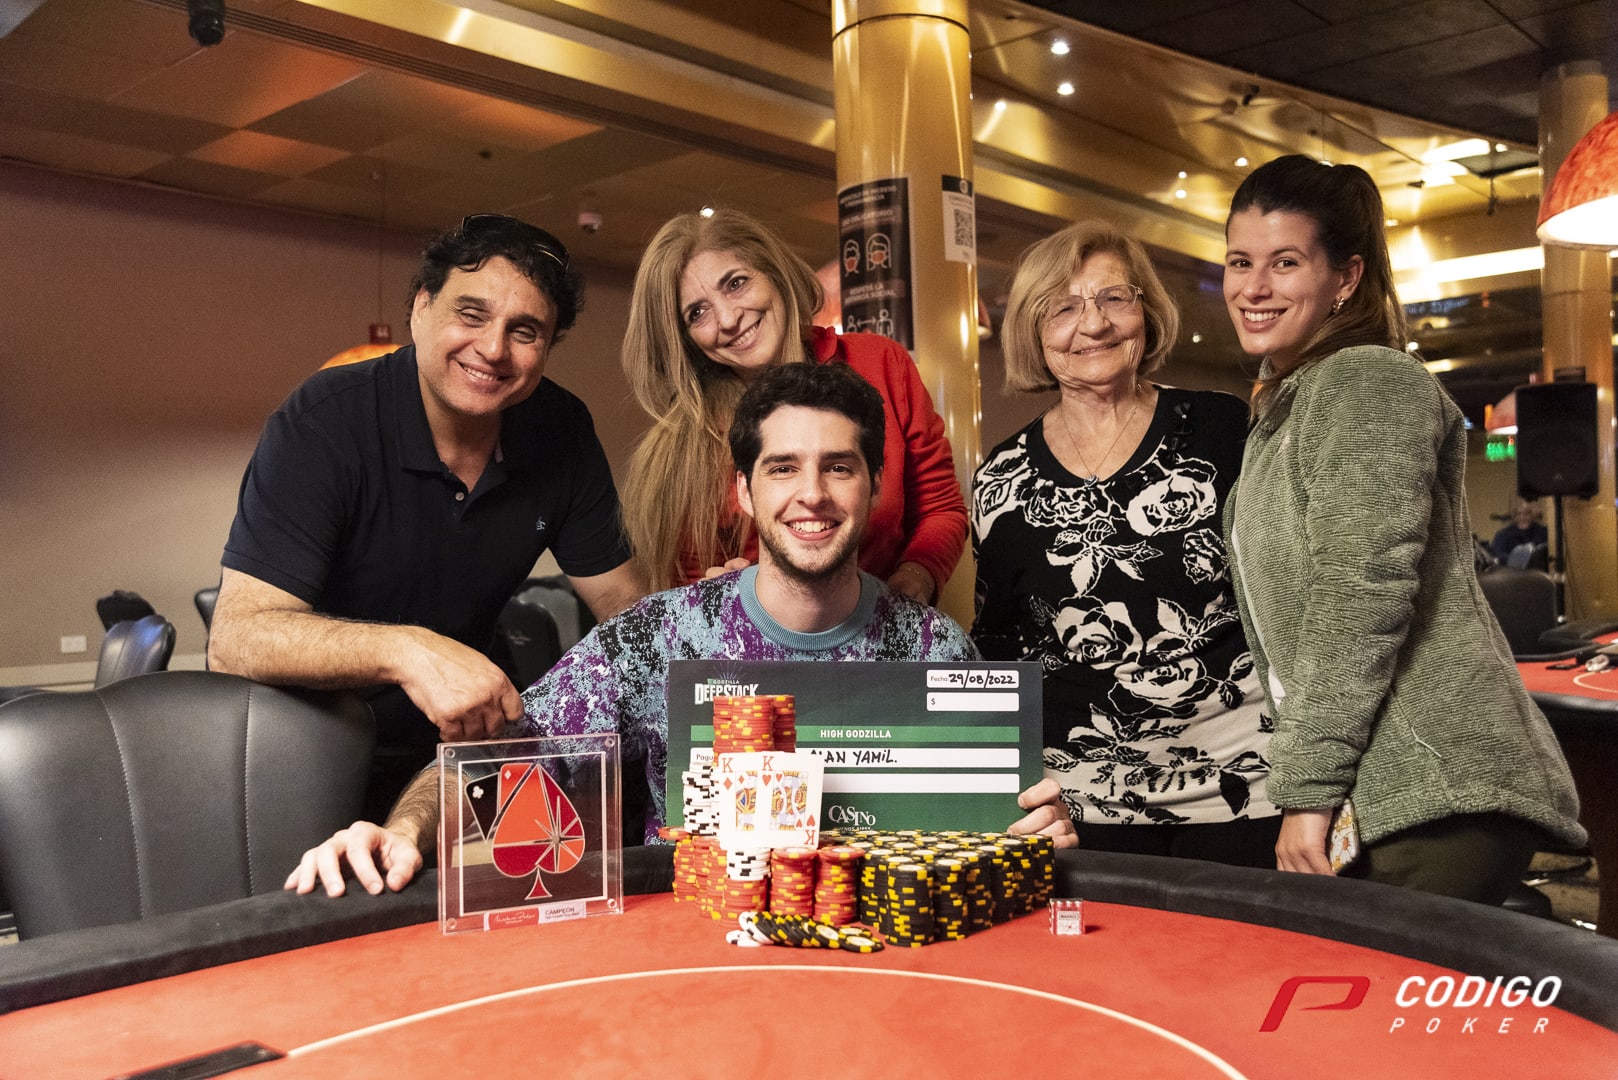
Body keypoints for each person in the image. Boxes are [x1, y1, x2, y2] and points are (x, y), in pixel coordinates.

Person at [286, 363, 1072, 897]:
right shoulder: (653, 641)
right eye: (782, 467)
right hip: (693, 972)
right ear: (743, 492)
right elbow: (504, 762)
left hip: (887, 975)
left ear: (872, 487)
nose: (812, 495)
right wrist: (402, 831)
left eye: (839, 467)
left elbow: (996, 850)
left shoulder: (937, 652)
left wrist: (1038, 832)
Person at [1221, 154, 1583, 902]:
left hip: (1435, 784)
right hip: (1392, 789)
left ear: (1345, 278)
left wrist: (1308, 793)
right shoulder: (1285, 409)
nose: (1253, 287)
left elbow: (1360, 599)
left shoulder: (1365, 380)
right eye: (1239, 261)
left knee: (1387, 1017)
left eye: (1285, 262)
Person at [210, 214, 643, 821]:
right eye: (472, 315)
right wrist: (411, 650)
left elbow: (626, 609)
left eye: (525, 331)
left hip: (461, 753)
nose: (493, 350)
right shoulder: (326, 419)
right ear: (420, 309)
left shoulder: (561, 429)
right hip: (303, 757)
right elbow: (235, 640)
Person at [973, 221, 1280, 868]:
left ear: (1147, 311)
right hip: (1082, 807)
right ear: (1033, 331)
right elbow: (1001, 647)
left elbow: (1288, 600)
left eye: (1115, 297)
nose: (1095, 324)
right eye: (1063, 307)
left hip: (1242, 786)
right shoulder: (1001, 478)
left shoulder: (1224, 428)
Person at [619, 208, 967, 602]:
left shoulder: (881, 364)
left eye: (736, 283)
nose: (729, 318)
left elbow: (940, 508)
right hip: (765, 653)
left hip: (888, 638)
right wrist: (717, 592)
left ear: (774, 272)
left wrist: (915, 578)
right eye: (697, 312)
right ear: (685, 340)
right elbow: (689, 588)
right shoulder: (687, 443)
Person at [1490, 498, 1549, 566]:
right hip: (1511, 573)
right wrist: (1517, 560)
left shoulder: (1543, 532)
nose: (1522, 517)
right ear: (1514, 516)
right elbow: (1497, 554)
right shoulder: (1502, 535)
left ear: (1533, 515)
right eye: (1518, 514)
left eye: (1527, 513)